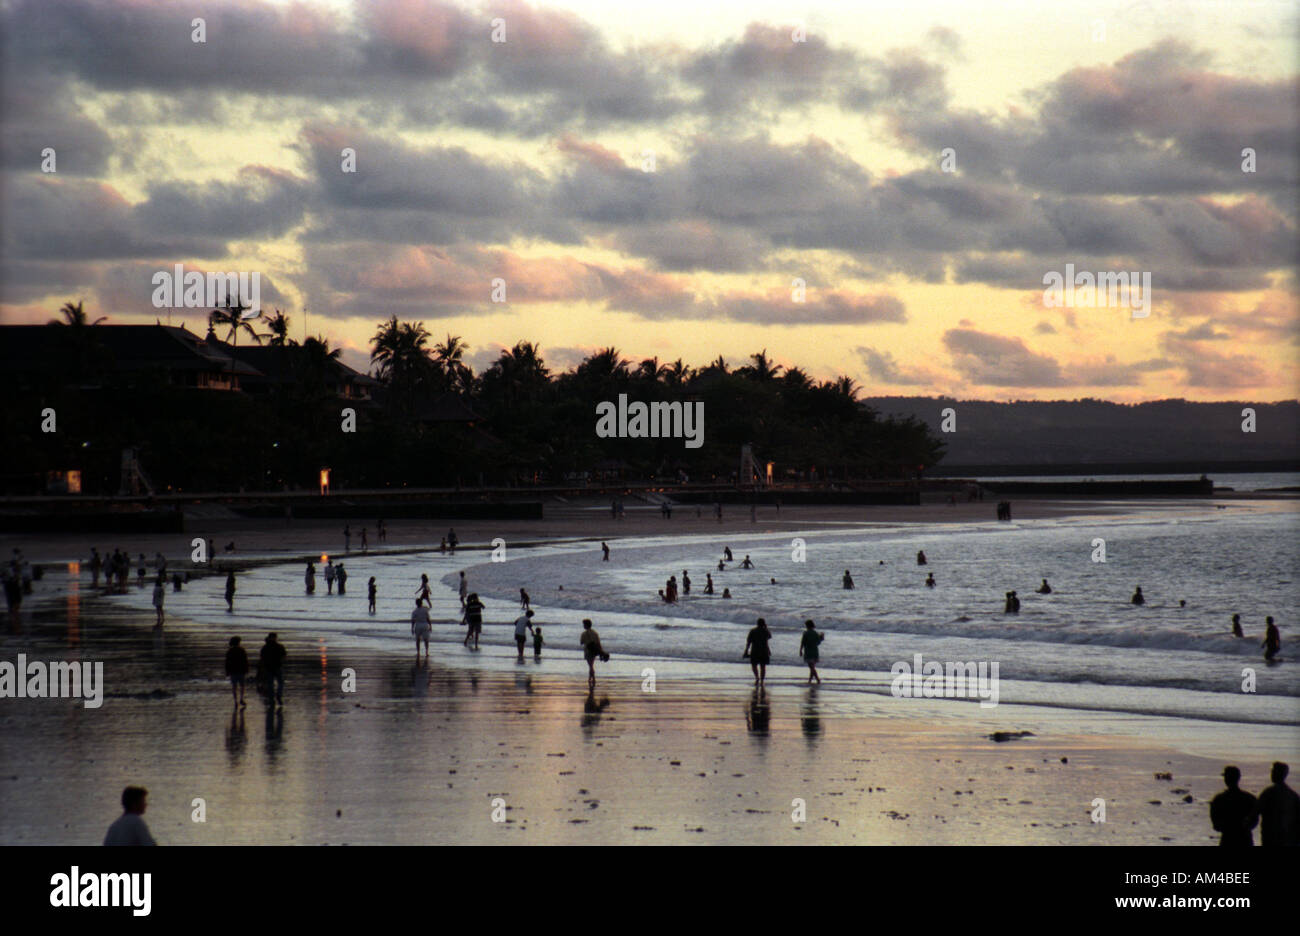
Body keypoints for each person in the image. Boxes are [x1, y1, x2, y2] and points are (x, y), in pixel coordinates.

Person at [1210, 766, 1259, 846]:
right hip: (1245, 839)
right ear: (1238, 778)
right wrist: (1244, 828)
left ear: (1225, 779)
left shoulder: (1219, 799)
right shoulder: (1249, 798)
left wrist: (1228, 827)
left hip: (1227, 839)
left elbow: (1216, 825)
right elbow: (1255, 821)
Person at [1257, 762, 1300, 846]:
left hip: (1270, 838)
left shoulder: (1268, 793)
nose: (1271, 774)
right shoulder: (1293, 795)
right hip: (1288, 839)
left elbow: (1255, 813)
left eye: (1273, 771)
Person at [579, 619, 608, 688]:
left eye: (584, 625)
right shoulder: (595, 633)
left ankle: (592, 678)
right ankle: (591, 678)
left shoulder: (584, 634)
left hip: (587, 650)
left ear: (586, 625)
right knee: (591, 664)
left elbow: (581, 642)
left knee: (590, 665)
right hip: (594, 650)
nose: (583, 626)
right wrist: (601, 651)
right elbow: (598, 643)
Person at [743, 618, 772, 685]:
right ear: (764, 623)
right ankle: (762, 680)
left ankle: (757, 677)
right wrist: (766, 628)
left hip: (755, 650)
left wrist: (746, 650)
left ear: (757, 623)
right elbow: (769, 637)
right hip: (764, 650)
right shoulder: (765, 631)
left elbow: (748, 642)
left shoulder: (753, 631)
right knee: (763, 666)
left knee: (754, 665)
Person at [260, 633, 287, 704]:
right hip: (277, 666)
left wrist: (263, 666)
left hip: (269, 667)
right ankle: (278, 695)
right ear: (275, 638)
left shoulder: (265, 647)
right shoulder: (279, 646)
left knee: (270, 683)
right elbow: (284, 655)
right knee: (280, 682)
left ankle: (272, 697)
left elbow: (262, 657)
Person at [225, 636, 249, 706]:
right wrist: (246, 669)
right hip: (241, 671)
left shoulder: (230, 651)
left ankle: (235, 701)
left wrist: (227, 671)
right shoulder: (242, 650)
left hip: (233, 671)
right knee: (242, 686)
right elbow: (245, 661)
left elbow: (227, 662)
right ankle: (241, 699)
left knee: (234, 687)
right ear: (238, 642)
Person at [799, 619, 823, 684]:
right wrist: (821, 637)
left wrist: (800, 650)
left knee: (811, 667)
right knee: (812, 667)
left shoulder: (805, 633)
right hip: (815, 651)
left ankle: (817, 679)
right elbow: (818, 642)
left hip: (808, 651)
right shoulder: (815, 633)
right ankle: (810, 680)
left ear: (808, 626)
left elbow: (802, 643)